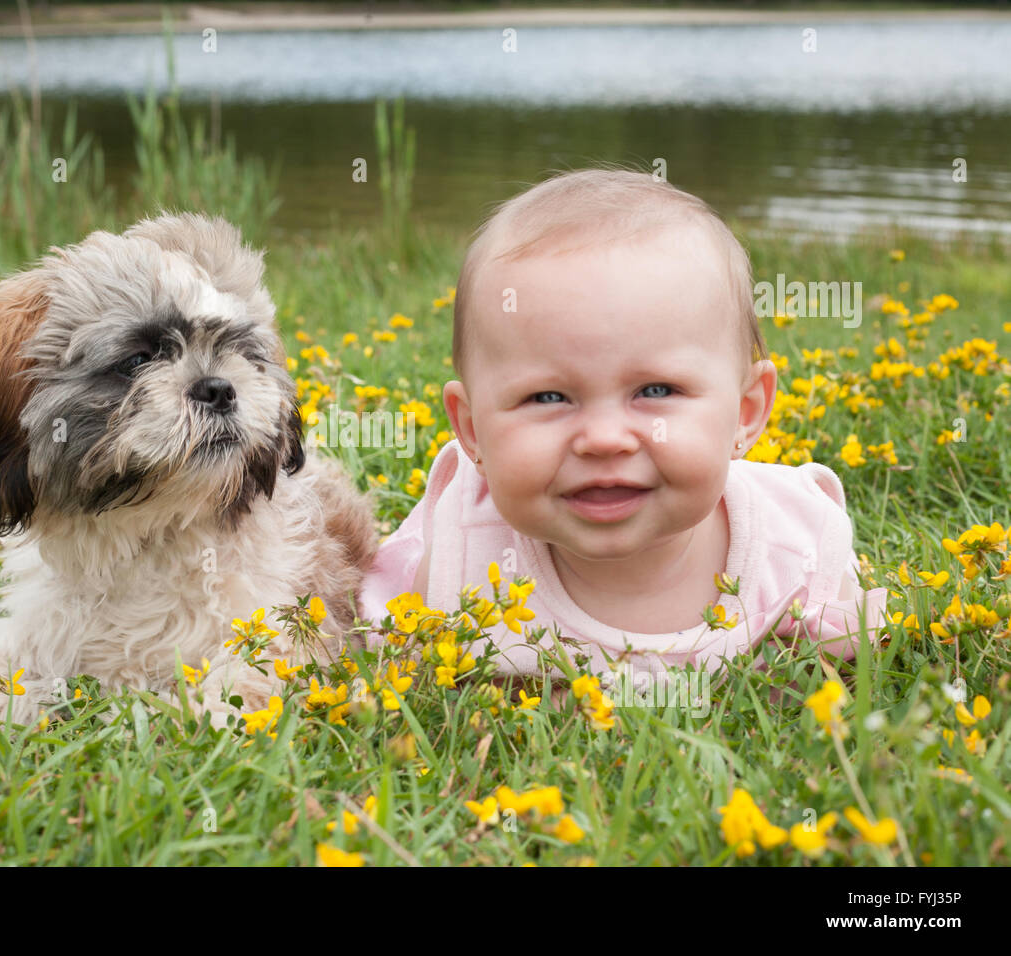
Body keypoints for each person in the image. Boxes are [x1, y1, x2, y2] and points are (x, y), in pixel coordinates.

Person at [358, 168, 888, 688]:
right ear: (472, 431)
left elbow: (849, 672)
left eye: (655, 391)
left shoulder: (793, 554)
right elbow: (413, 689)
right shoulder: (462, 563)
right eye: (548, 397)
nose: (604, 439)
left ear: (745, 413)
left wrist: (823, 661)